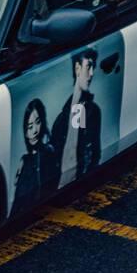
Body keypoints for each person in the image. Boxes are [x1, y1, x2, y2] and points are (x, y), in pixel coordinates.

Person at [49, 47, 101, 187]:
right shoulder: (63, 117)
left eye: (93, 68)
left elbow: (91, 151)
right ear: (77, 68)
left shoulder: (88, 110)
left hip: (76, 182)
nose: (91, 74)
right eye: (88, 67)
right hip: (59, 183)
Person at [13, 98, 57, 215]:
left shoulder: (48, 153)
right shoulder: (24, 160)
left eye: (38, 122)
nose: (34, 131)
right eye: (29, 126)